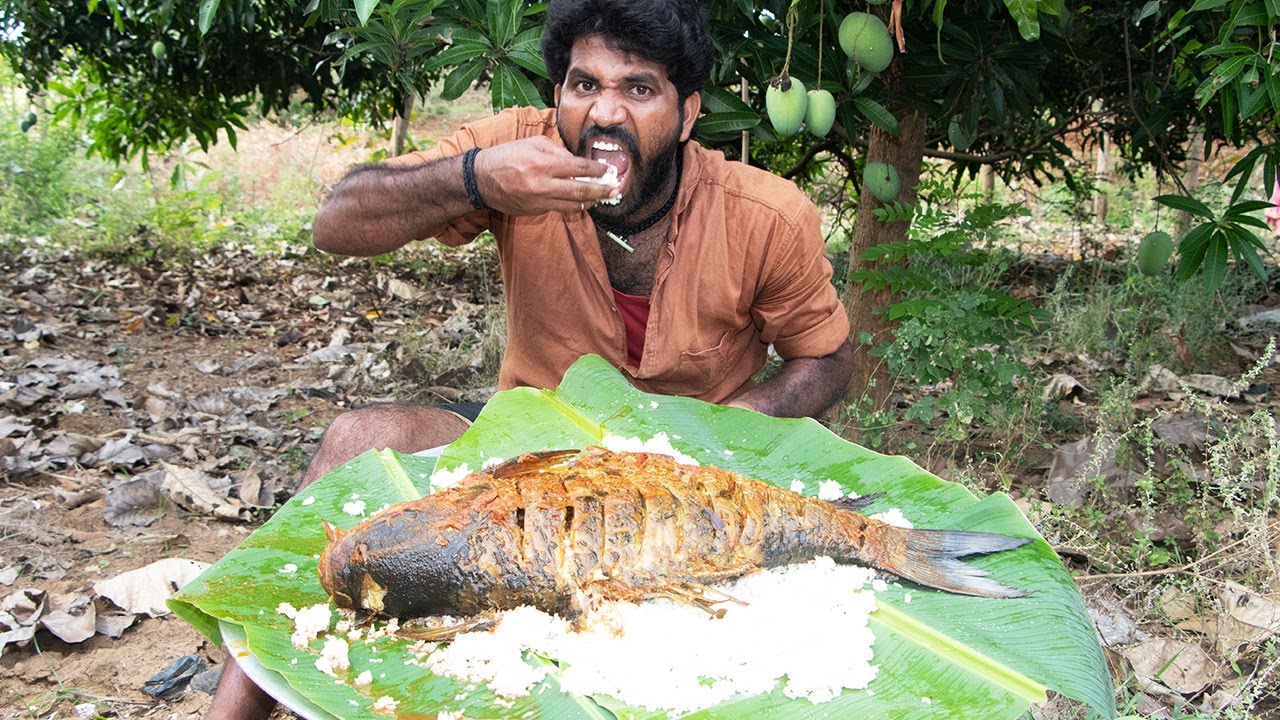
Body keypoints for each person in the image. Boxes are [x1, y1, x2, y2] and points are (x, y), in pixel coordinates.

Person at [205, 0, 851, 716]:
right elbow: (338, 221)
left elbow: (824, 360)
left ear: (688, 112)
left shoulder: (764, 213)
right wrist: (478, 178)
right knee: (357, 440)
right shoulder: (516, 152)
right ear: (556, 97)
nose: (605, 113)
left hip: (684, 469)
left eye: (638, 89)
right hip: (528, 442)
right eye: (584, 85)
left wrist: (729, 426)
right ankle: (257, 694)